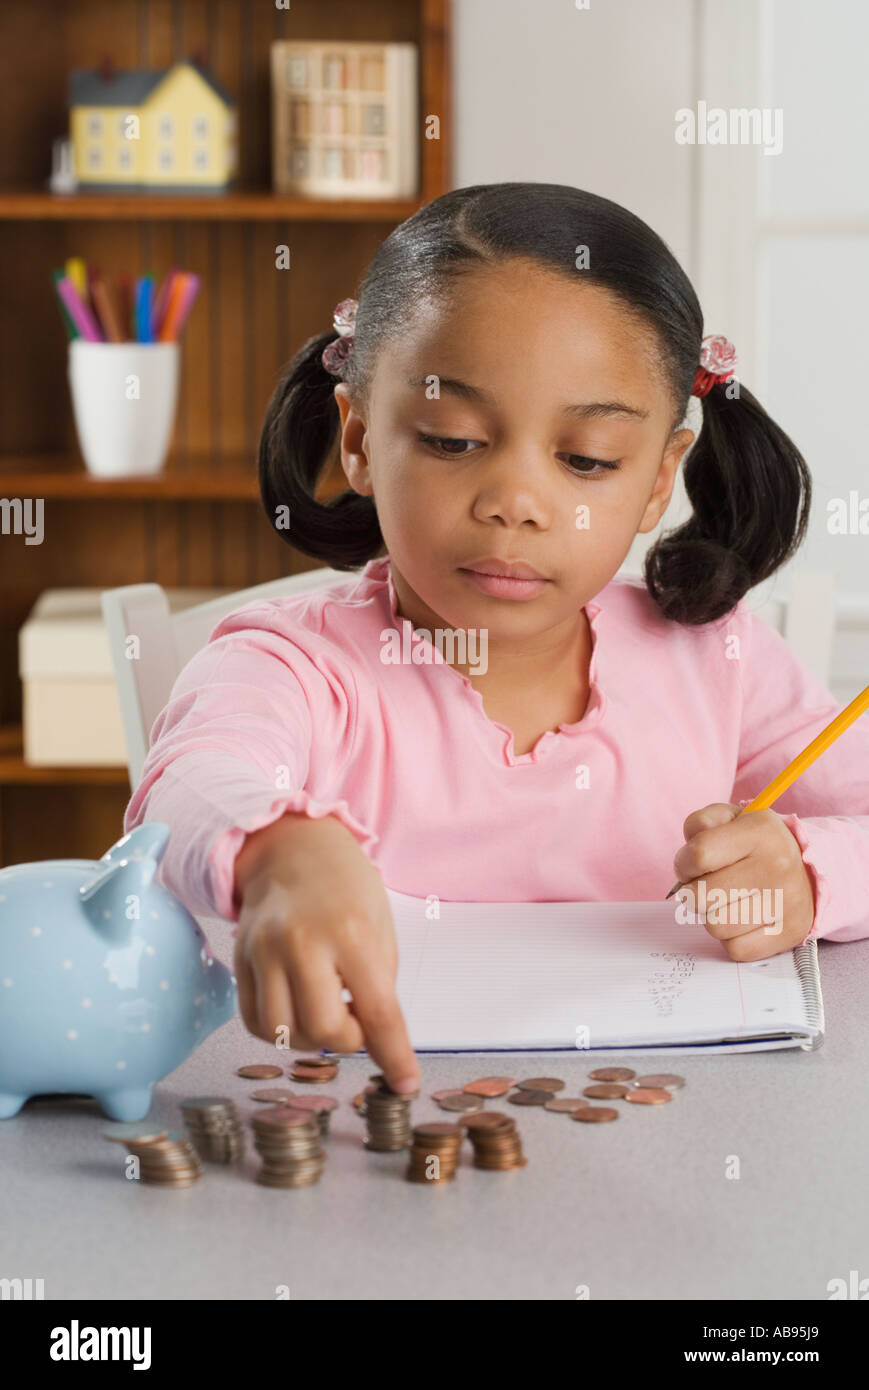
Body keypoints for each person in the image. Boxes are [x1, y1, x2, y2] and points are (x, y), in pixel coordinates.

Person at [124, 183, 869, 1095]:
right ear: (358, 437)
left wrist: (809, 873)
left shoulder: (718, 657)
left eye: (586, 460)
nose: (515, 501)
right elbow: (185, 788)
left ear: (655, 480)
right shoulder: (292, 665)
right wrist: (276, 849)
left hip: (677, 1131)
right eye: (450, 440)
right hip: (364, 1135)